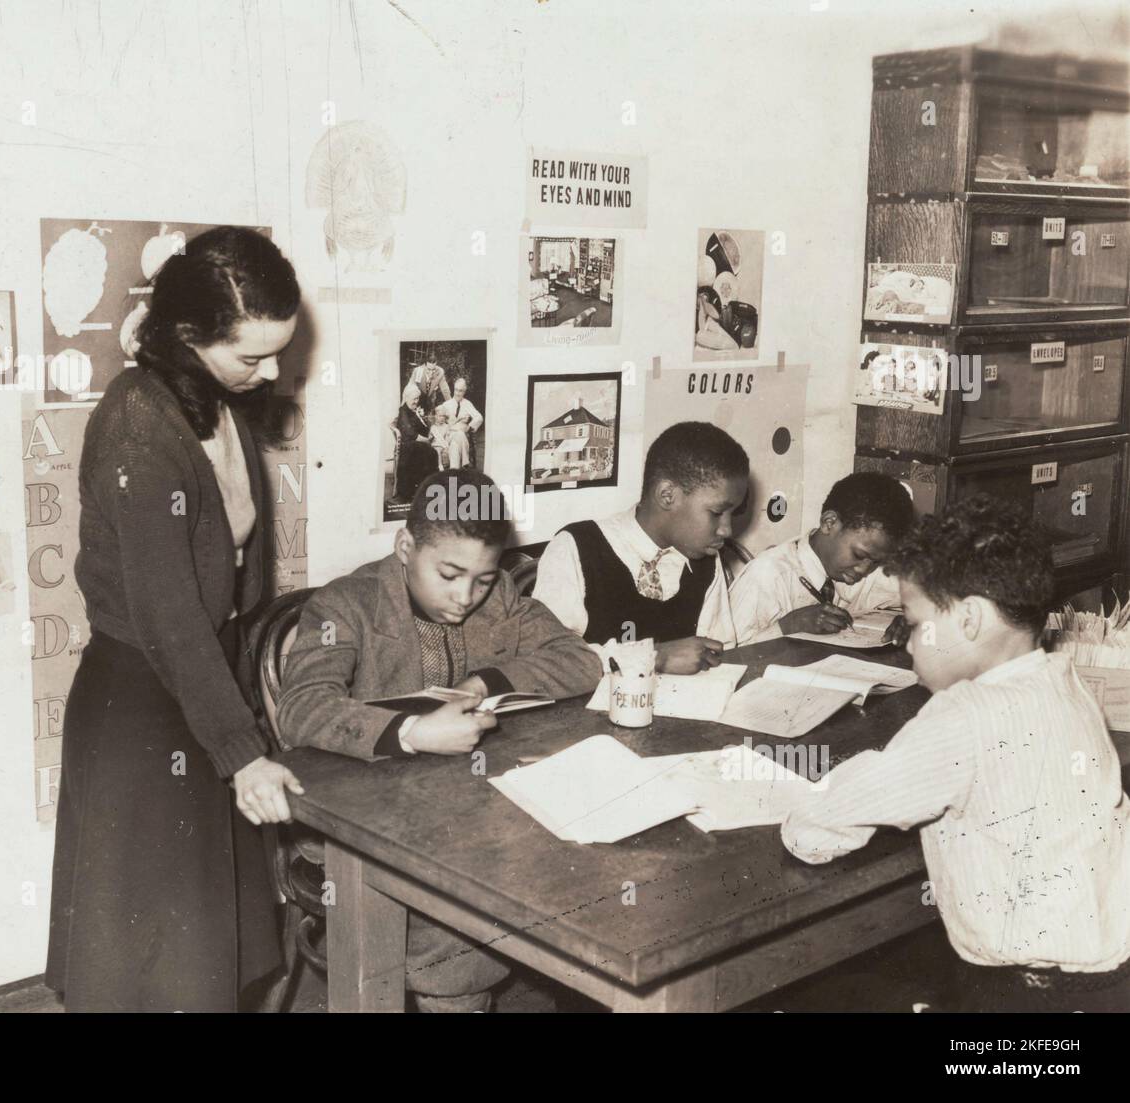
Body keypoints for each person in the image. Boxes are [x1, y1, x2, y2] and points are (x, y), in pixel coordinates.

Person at [45, 226, 304, 1012]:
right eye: (252, 357)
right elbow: (167, 613)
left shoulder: (214, 398)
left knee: (205, 957)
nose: (270, 374)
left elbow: (228, 578)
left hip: (201, 683)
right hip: (145, 704)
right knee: (153, 964)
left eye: (278, 353)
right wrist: (241, 752)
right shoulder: (137, 427)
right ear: (190, 336)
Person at [782, 495, 1130, 1012]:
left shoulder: (964, 714)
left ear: (968, 619)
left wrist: (803, 819)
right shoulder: (1063, 683)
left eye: (917, 623)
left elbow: (821, 821)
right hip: (1105, 970)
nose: (908, 645)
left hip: (1029, 994)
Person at [277, 469, 601, 1011]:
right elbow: (301, 709)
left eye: (482, 578)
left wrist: (488, 680)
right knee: (461, 944)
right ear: (405, 546)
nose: (465, 597)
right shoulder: (345, 606)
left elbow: (580, 661)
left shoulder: (498, 598)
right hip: (362, 829)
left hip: (462, 817)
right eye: (449, 574)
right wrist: (411, 732)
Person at [533, 421, 747, 674]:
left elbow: (719, 656)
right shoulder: (576, 548)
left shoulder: (707, 560)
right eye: (717, 512)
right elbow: (545, 661)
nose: (727, 530)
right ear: (667, 495)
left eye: (732, 514)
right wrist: (653, 657)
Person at [730, 472, 914, 646]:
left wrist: (914, 619)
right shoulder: (767, 575)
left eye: (876, 562)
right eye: (858, 555)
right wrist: (788, 626)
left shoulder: (866, 572)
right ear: (829, 523)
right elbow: (725, 656)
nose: (863, 570)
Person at [393, 382, 439, 502]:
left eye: (418, 398)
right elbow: (411, 434)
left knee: (431, 452)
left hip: (416, 445)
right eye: (414, 399)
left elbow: (424, 429)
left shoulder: (413, 412)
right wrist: (427, 440)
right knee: (427, 451)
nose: (416, 401)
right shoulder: (403, 412)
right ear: (407, 398)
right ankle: (419, 489)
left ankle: (428, 488)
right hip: (407, 446)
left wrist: (421, 419)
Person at [435, 375, 484, 468]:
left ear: (464, 392)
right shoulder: (446, 405)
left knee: (455, 447)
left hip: (458, 440)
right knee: (460, 434)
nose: (457, 393)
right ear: (454, 389)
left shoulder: (467, 404)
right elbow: (438, 420)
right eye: (456, 390)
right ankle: (465, 463)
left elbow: (479, 417)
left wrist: (469, 427)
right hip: (449, 436)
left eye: (460, 391)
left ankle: (453, 479)